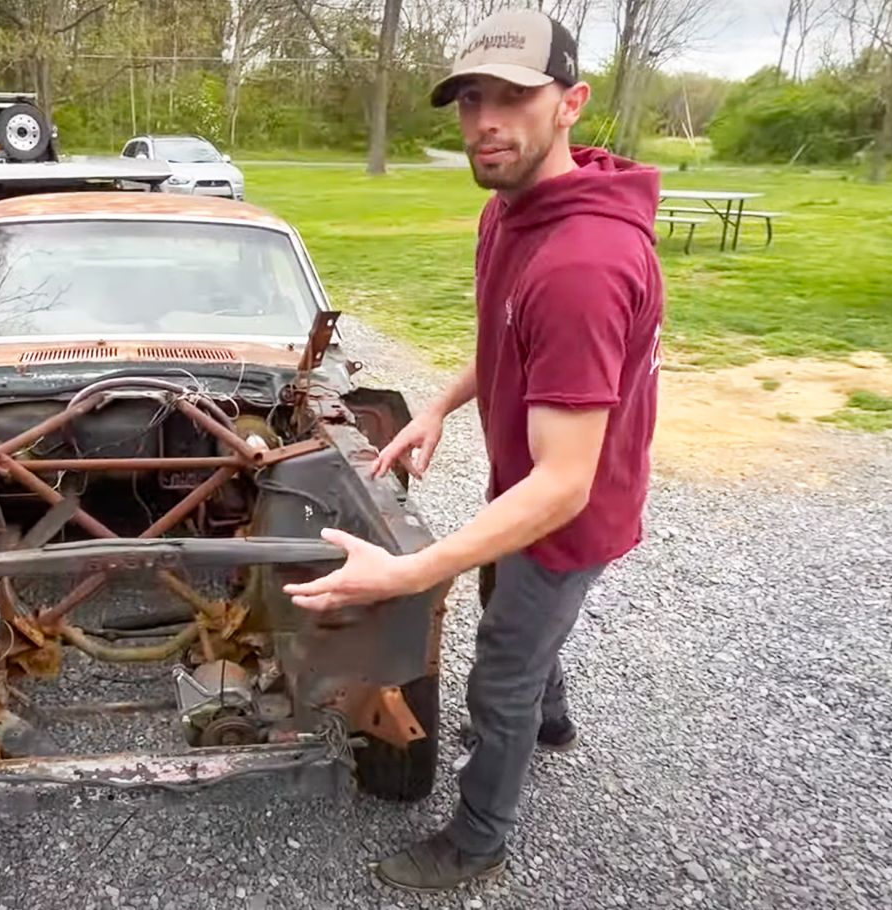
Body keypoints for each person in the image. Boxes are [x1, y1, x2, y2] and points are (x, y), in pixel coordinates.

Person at [280, 6, 666, 894]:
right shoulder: (516, 210)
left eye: (514, 99)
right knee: (515, 614)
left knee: (499, 670)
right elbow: (506, 335)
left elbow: (565, 486)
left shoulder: (583, 264)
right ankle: (551, 722)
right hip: (525, 479)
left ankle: (479, 839)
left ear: (572, 103)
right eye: (470, 99)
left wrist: (414, 574)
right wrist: (443, 405)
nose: (485, 121)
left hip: (569, 509)